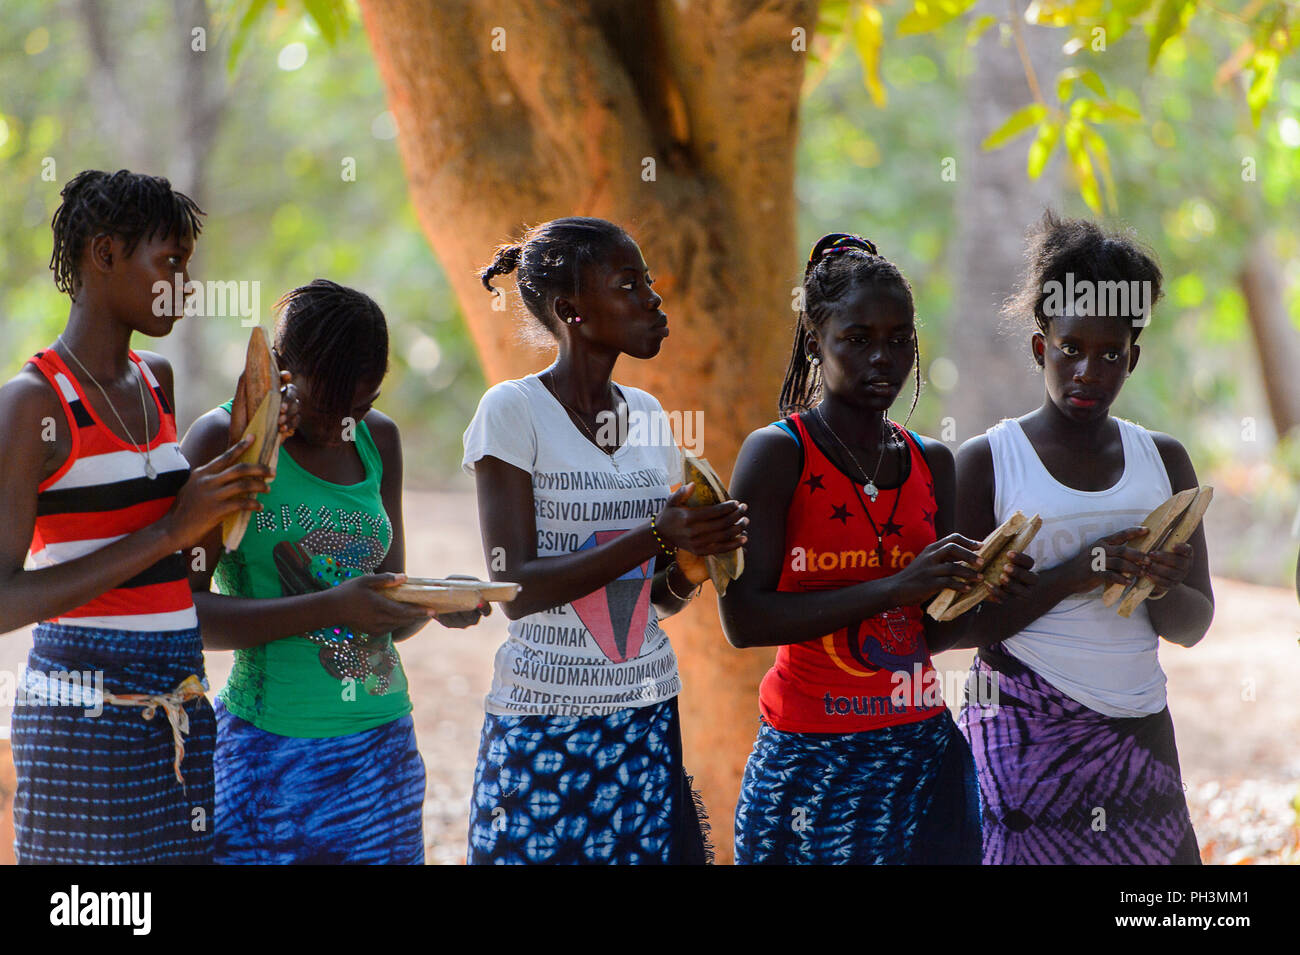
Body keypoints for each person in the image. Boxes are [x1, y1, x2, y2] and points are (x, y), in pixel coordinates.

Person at [0, 169, 283, 863]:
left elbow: (175, 558)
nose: (185, 285)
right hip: (83, 724)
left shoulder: (156, 380)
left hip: (179, 712)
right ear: (104, 255)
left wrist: (244, 470)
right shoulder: (33, 404)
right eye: (171, 263)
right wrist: (169, 529)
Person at [720, 233, 1029, 864]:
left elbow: (932, 634)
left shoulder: (931, 461)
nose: (882, 358)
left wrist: (984, 586)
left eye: (899, 339)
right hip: (809, 762)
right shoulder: (779, 453)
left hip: (922, 755)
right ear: (815, 342)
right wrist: (896, 586)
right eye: (858, 339)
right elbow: (743, 619)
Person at [463, 217, 747, 864]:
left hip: (643, 712)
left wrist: (695, 563)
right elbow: (517, 589)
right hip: (544, 719)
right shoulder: (512, 413)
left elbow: (651, 602)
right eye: (629, 285)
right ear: (571, 310)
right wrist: (655, 533)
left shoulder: (648, 416)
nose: (653, 300)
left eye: (648, 283)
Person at [183, 279, 485, 864]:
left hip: (379, 747)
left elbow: (382, 611)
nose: (345, 423)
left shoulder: (380, 442)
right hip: (267, 754)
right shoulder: (228, 439)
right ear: (280, 369)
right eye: (331, 406)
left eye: (363, 404)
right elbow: (187, 616)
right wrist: (331, 606)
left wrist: (433, 602)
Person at [953, 211, 1213, 864]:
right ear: (1042, 347)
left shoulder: (1165, 462)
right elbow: (949, 629)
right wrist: (1079, 571)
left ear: (1135, 355)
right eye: (1071, 348)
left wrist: (1155, 583)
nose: (1088, 371)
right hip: (1023, 740)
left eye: (1110, 353)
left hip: (1138, 736)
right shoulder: (988, 461)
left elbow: (1193, 624)